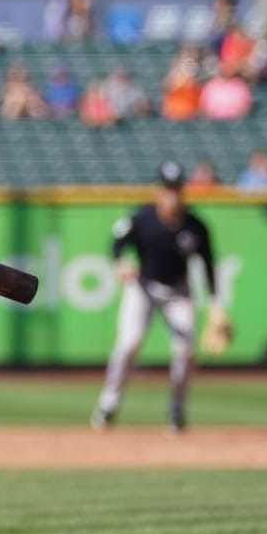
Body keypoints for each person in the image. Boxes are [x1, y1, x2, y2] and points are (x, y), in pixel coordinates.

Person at [91, 161, 221, 435]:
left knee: (185, 350)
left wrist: (216, 305)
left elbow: (208, 265)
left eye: (176, 189)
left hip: (178, 291)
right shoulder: (142, 218)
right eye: (167, 189)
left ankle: (176, 409)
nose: (172, 194)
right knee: (129, 344)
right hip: (143, 287)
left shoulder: (195, 226)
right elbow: (117, 242)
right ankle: (108, 404)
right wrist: (120, 263)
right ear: (158, 190)